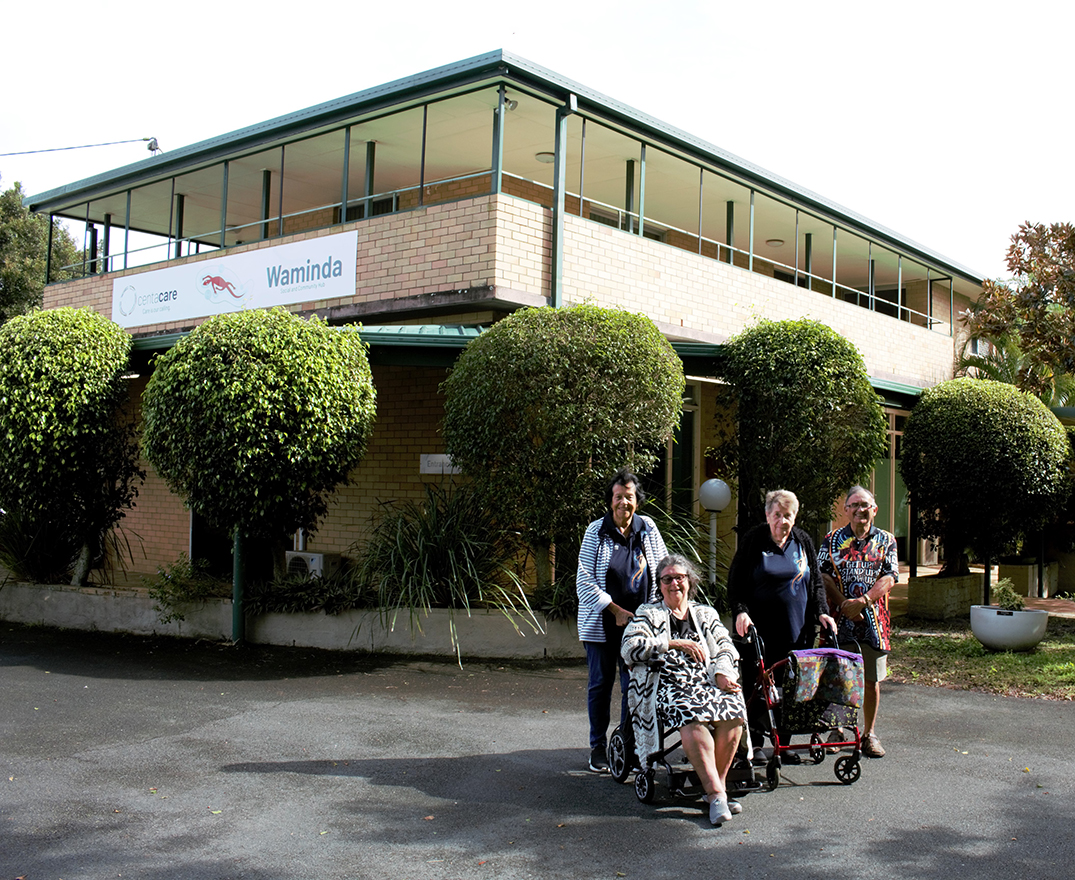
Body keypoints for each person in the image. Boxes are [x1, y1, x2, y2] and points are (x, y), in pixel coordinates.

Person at [622, 555, 747, 826]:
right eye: (667, 579)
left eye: (680, 577)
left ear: (690, 581)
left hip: (706, 682)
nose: (674, 583)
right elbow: (629, 647)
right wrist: (671, 643)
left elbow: (726, 646)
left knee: (735, 711)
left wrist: (723, 672)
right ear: (660, 585)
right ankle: (716, 795)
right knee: (690, 714)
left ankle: (715, 789)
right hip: (666, 684)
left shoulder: (705, 613)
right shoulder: (648, 613)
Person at [576, 469, 667, 773]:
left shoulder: (648, 529)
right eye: (618, 497)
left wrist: (650, 614)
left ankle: (627, 744)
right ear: (610, 501)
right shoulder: (595, 532)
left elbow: (664, 570)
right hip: (602, 624)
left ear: (637, 501)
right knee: (600, 685)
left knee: (635, 687)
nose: (623, 503)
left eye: (629, 497)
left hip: (639, 627)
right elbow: (583, 581)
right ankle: (598, 748)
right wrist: (615, 611)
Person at [817, 485, 898, 758]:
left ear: (874, 509)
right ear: (846, 510)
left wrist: (863, 601)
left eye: (865, 505)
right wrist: (843, 604)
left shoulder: (887, 540)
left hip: (874, 621)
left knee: (871, 679)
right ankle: (837, 729)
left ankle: (869, 734)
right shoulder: (830, 540)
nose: (860, 510)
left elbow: (890, 577)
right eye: (854, 505)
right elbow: (823, 576)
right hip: (839, 619)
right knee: (838, 675)